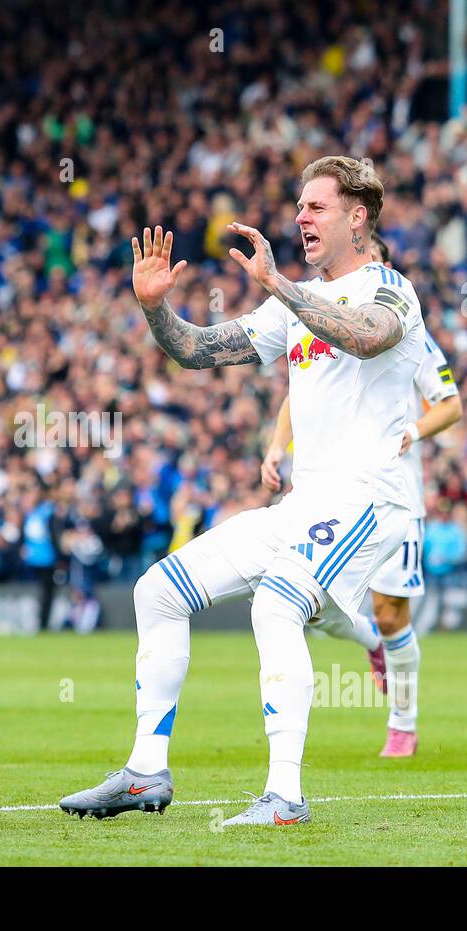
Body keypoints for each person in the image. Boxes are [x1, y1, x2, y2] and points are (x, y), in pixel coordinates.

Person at [60, 157, 425, 826]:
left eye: (316, 207)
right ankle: (145, 771)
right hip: (306, 503)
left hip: (370, 500)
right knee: (158, 590)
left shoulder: (392, 290)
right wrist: (155, 308)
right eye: (300, 206)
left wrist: (280, 284)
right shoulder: (288, 305)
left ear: (357, 216)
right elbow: (198, 349)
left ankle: (284, 796)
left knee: (277, 605)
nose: (300, 217)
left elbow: (368, 337)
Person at [261, 233, 462, 757]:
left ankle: (404, 721)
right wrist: (276, 449)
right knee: (309, 602)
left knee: (393, 612)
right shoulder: (321, 321)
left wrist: (413, 433)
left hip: (390, 495)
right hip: (326, 492)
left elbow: (450, 404)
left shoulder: (406, 329)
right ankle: (370, 644)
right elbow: (295, 393)